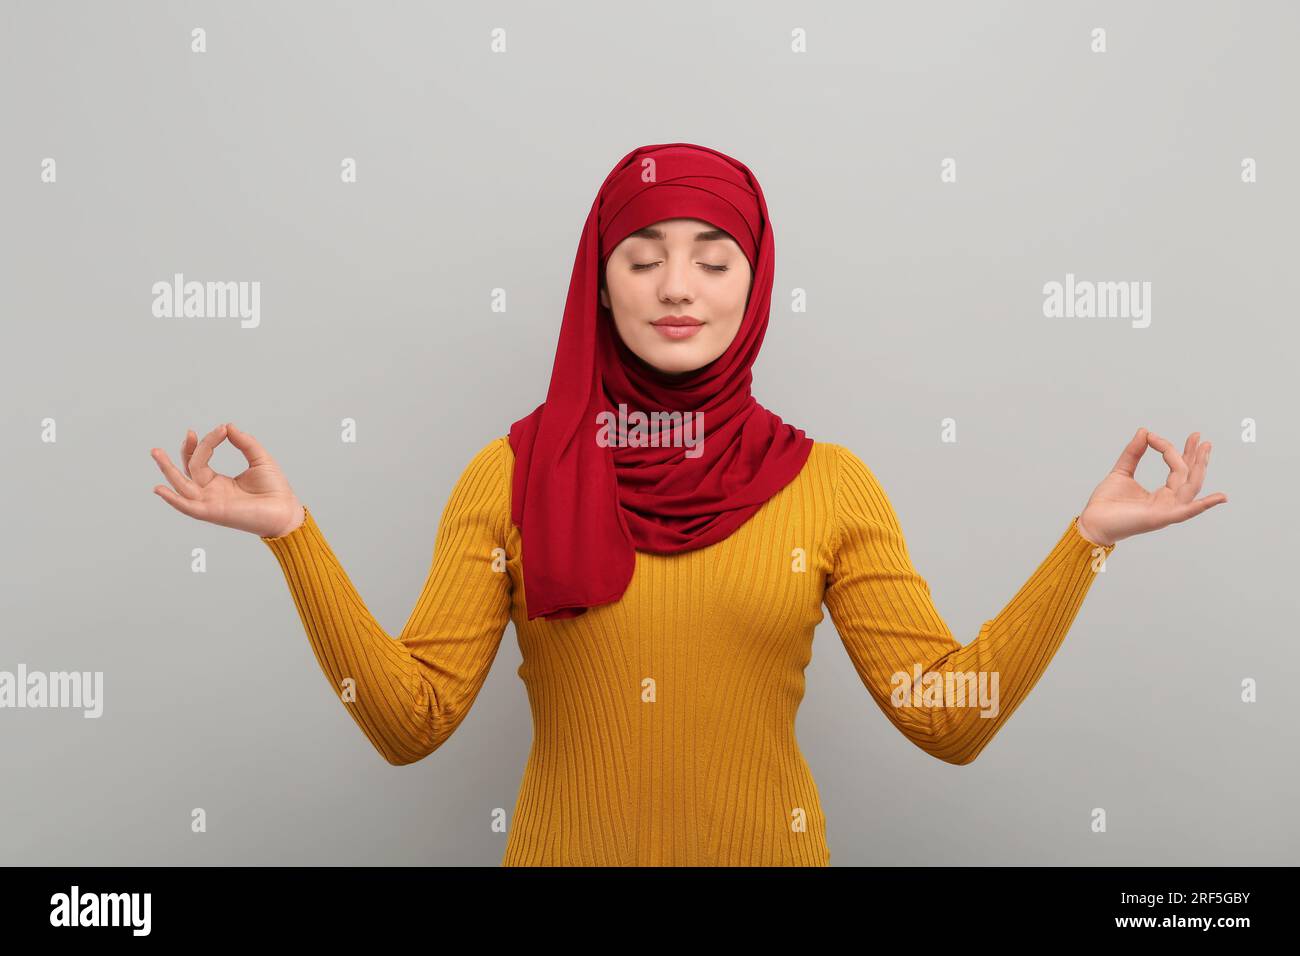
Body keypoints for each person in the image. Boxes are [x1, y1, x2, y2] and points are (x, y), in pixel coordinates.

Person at [149, 142, 1227, 866]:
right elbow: (409, 720)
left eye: (715, 259)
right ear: (599, 283)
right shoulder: (512, 474)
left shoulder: (827, 485)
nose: (677, 287)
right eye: (642, 257)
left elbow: (948, 720)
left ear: (753, 286)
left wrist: (1086, 544)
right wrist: (293, 536)